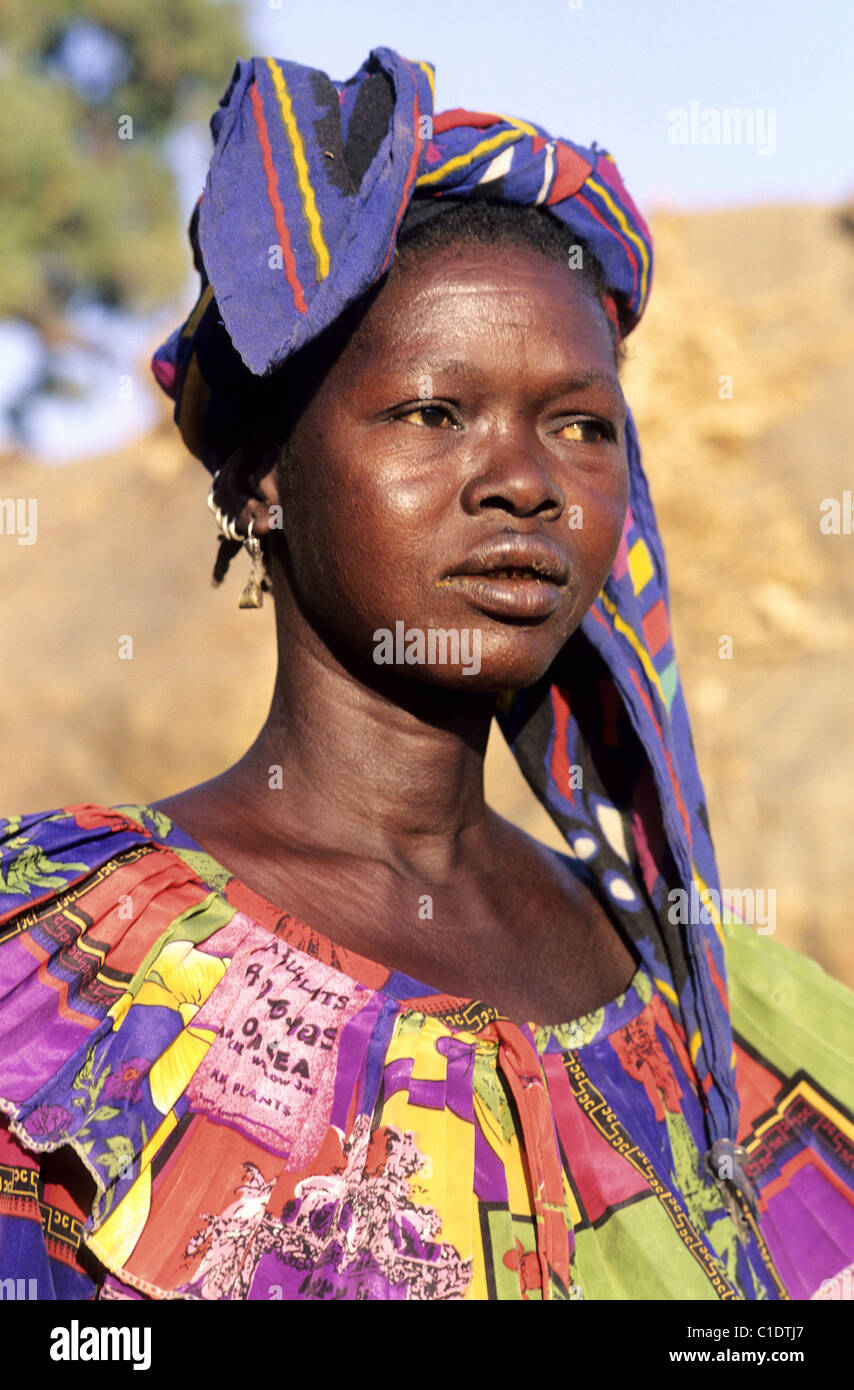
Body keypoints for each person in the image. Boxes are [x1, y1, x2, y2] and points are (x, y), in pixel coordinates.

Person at [1, 47, 852, 1303]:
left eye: (579, 424)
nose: (526, 480)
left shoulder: (726, 1010)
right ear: (263, 480)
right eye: (432, 413)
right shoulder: (62, 979)